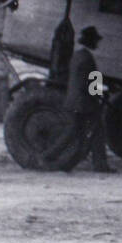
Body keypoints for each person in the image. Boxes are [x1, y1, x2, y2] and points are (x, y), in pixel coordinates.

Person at [41, 26, 113, 173]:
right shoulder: (87, 58)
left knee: (78, 132)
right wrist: (102, 92)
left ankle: (56, 160)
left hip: (76, 101)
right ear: (91, 41)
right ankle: (48, 157)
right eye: (96, 41)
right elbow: (91, 81)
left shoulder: (78, 55)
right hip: (84, 103)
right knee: (88, 132)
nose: (97, 44)